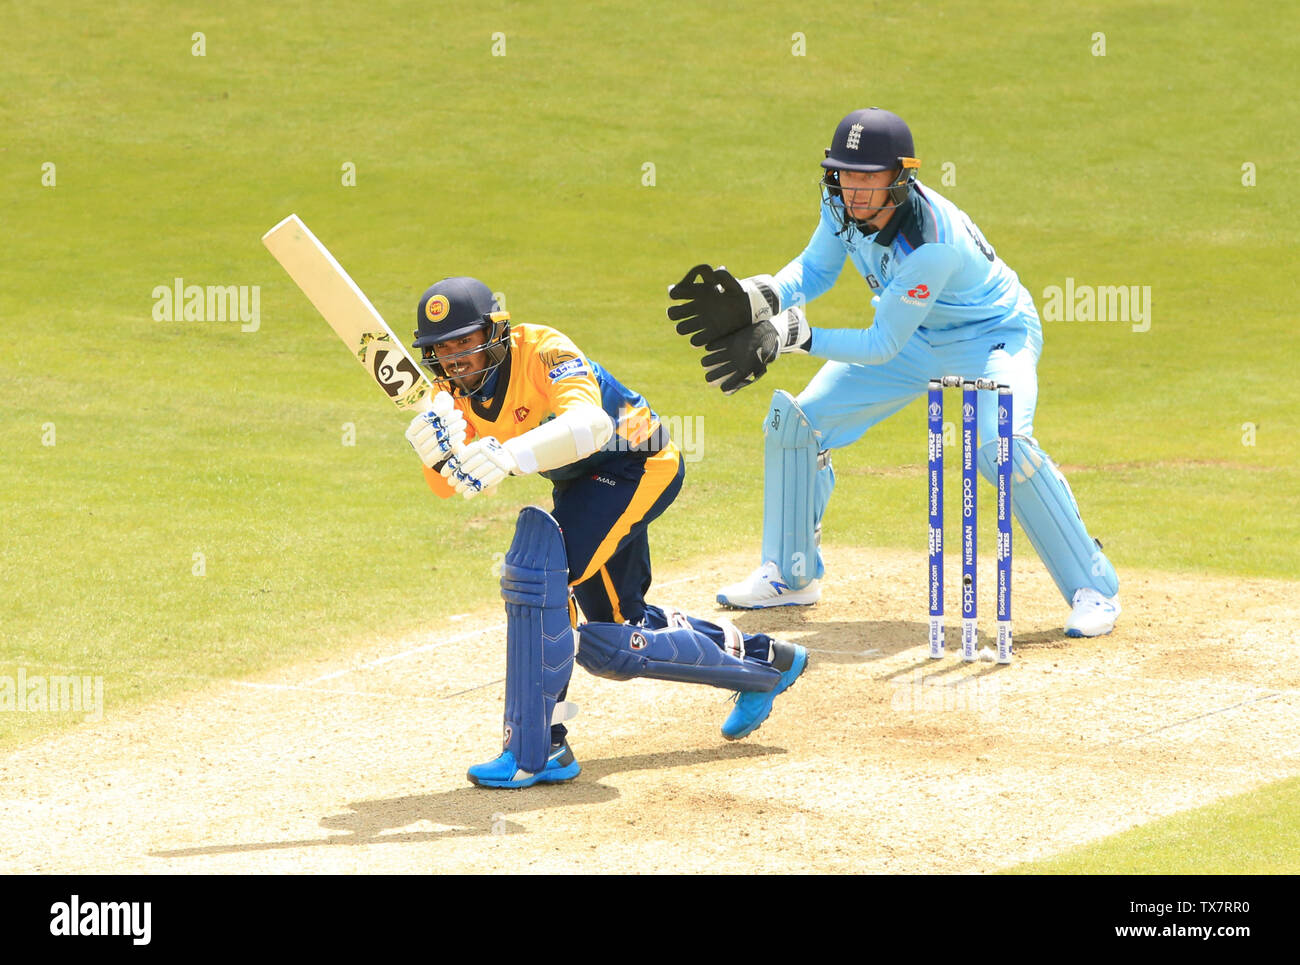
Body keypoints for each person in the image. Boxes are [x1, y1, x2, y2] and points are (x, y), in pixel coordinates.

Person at [666, 107, 1120, 639]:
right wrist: (754, 298)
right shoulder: (840, 205)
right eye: (843, 174)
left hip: (991, 337)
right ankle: (791, 576)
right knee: (798, 424)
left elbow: (881, 344)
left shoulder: (932, 244)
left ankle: (1095, 589)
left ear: (900, 178)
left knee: (1002, 447)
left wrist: (791, 335)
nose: (852, 189)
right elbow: (814, 270)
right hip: (917, 338)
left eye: (867, 177)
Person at [403, 277, 808, 789]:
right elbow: (447, 488)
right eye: (441, 348)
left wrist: (507, 455)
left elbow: (590, 425)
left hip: (639, 461)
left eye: (465, 340)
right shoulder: (450, 394)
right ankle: (765, 662)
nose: (456, 357)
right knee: (618, 638)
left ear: (496, 331)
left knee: (540, 575)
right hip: (581, 483)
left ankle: (541, 744)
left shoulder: (543, 350)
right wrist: (435, 456)